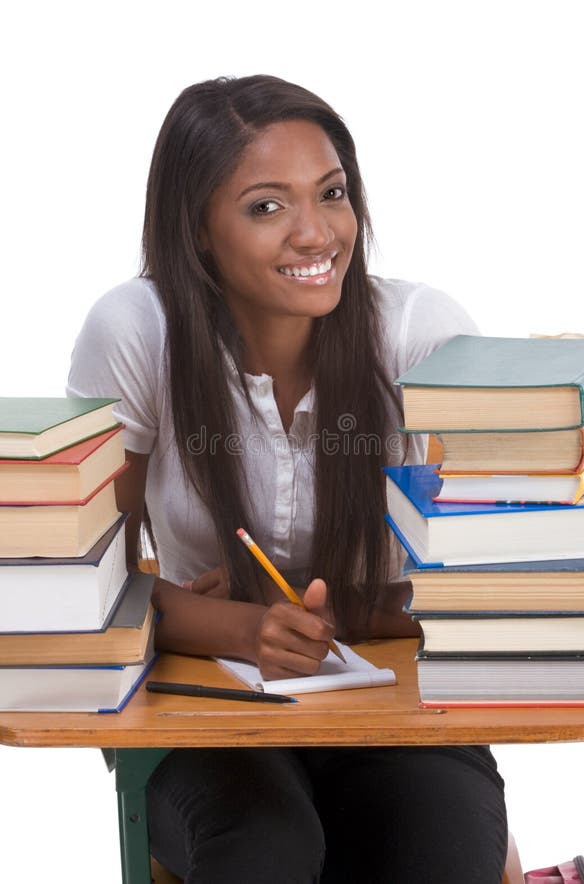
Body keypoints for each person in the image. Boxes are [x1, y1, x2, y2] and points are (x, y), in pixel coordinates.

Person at [68, 75, 508, 883]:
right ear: (197, 230)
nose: (317, 233)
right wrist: (235, 629)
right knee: (267, 851)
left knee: (438, 857)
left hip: (396, 703)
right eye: (267, 206)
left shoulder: (418, 333)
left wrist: (348, 611)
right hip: (202, 706)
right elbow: (81, 577)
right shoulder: (137, 331)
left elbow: (494, 581)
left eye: (331, 194)